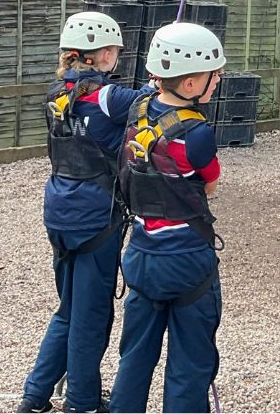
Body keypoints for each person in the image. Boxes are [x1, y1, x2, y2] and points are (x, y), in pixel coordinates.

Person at [17, 11, 153, 414]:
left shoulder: (56, 92)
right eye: (114, 51)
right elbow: (153, 100)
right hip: (94, 217)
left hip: (59, 210)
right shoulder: (107, 96)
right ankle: (82, 402)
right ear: (102, 54)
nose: (117, 57)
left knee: (69, 309)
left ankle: (35, 395)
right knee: (90, 318)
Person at [109, 22, 225, 414]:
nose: (219, 80)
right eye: (214, 75)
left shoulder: (136, 111)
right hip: (186, 258)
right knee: (190, 364)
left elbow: (151, 94)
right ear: (190, 84)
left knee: (135, 358)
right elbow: (208, 184)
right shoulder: (197, 133)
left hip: (141, 252)